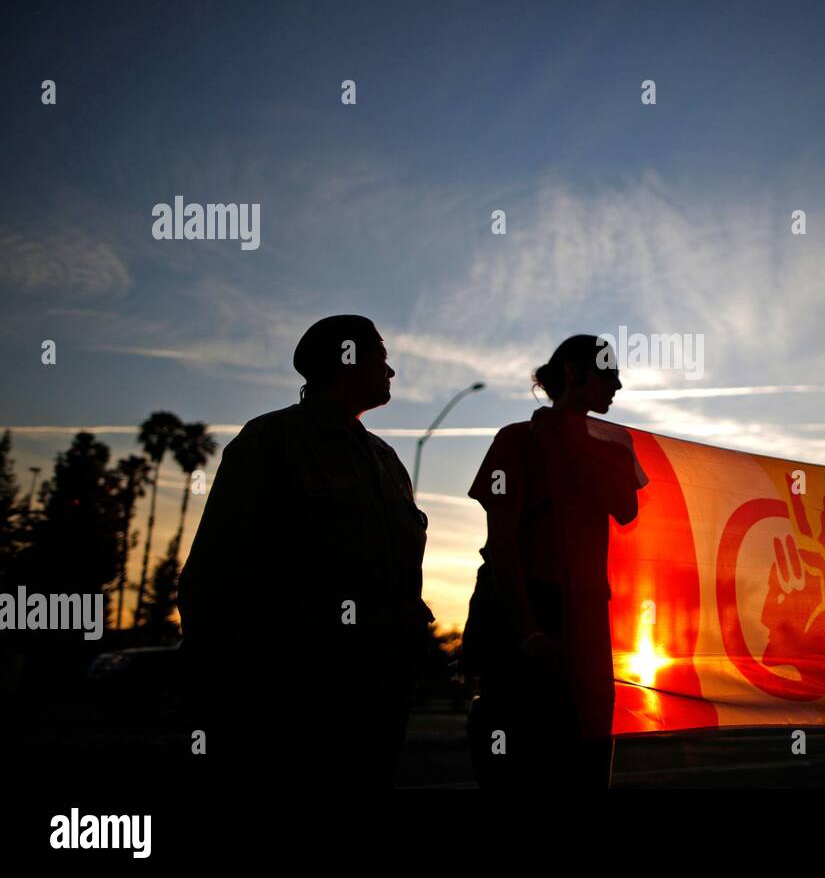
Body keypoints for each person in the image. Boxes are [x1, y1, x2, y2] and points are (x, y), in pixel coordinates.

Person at [178, 315, 434, 796]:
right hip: (291, 690)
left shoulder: (385, 459)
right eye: (381, 357)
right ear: (348, 360)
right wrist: (218, 686)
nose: (391, 371)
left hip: (379, 687)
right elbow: (213, 571)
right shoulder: (269, 441)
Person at [466, 335, 646, 788]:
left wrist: (599, 446)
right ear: (573, 372)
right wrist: (527, 630)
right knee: (517, 757)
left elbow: (626, 509)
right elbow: (502, 543)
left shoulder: (609, 445)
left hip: (584, 617)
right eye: (610, 372)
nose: (619, 385)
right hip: (525, 611)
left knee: (584, 751)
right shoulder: (516, 441)